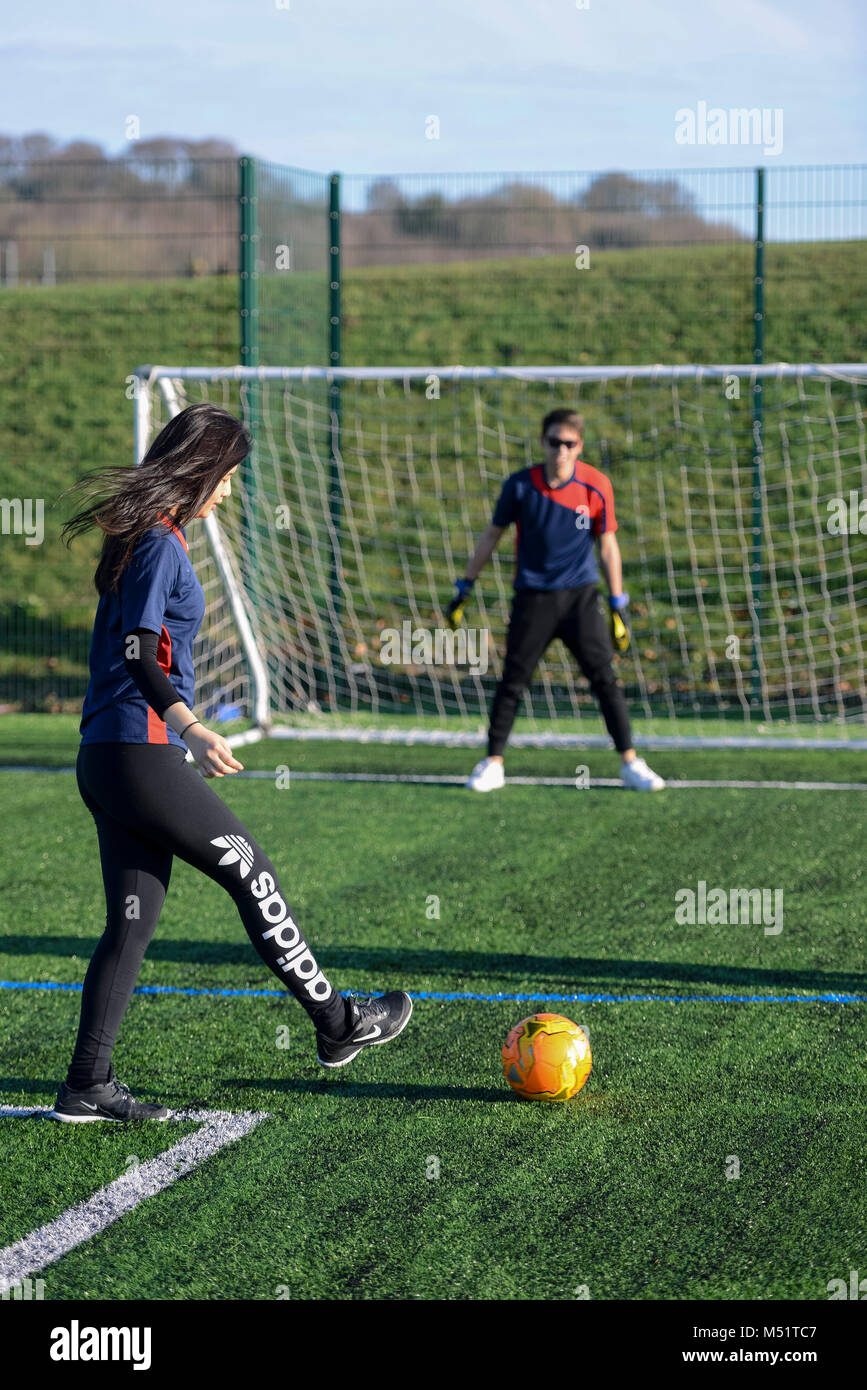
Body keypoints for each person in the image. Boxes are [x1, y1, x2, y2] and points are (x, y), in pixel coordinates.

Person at [50, 403, 411, 1122]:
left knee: (131, 922)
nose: (229, 491)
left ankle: (87, 1084)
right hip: (140, 751)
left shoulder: (143, 539)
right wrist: (190, 727)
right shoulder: (157, 544)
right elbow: (138, 651)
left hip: (106, 757)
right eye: (228, 476)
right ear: (201, 469)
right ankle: (339, 1023)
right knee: (251, 867)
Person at [447, 408, 665, 793]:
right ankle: (493, 762)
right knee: (513, 681)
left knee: (605, 680)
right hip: (533, 599)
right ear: (542, 442)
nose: (561, 451)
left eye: (569, 444)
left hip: (581, 600)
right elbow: (491, 536)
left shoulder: (596, 486)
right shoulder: (520, 487)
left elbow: (608, 545)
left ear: (580, 446)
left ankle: (630, 763)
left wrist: (618, 603)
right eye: (554, 442)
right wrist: (465, 586)